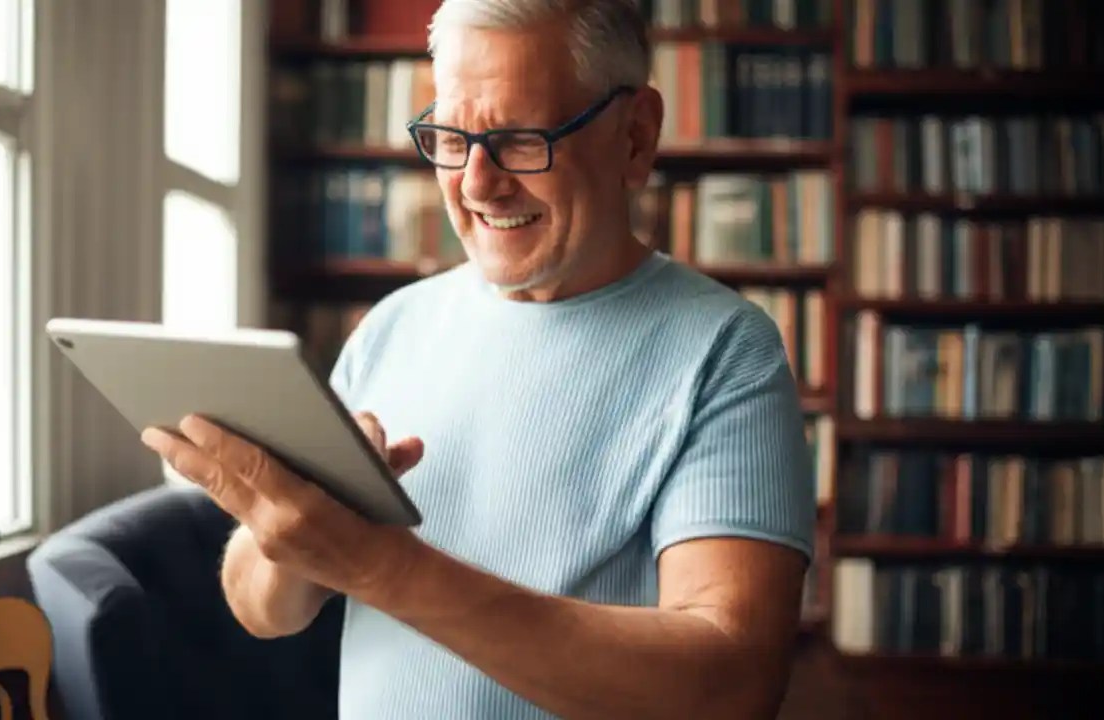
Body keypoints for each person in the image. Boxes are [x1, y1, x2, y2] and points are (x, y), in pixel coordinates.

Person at [140, 0, 816, 717]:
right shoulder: (391, 327)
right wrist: (298, 538)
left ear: (635, 136)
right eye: (451, 138)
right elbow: (259, 610)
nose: (475, 183)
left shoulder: (727, 353)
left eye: (521, 140)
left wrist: (379, 565)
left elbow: (731, 689)